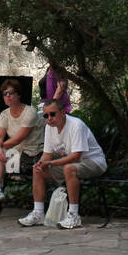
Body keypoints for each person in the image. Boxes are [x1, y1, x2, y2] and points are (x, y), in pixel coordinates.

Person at [18, 98, 107, 230]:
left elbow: (76, 157)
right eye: (46, 115)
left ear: (63, 112)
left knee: (69, 168)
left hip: (94, 162)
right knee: (37, 170)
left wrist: (51, 163)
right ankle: (38, 212)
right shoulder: (49, 128)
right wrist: (41, 163)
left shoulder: (76, 125)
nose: (49, 118)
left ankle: (74, 215)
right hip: (71, 164)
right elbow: (47, 154)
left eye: (52, 114)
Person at [0, 79, 46, 220]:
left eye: (11, 93)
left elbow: (19, 138)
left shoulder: (30, 112)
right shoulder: (4, 114)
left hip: (31, 153)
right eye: (5, 94)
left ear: (18, 95)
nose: (8, 96)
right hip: (15, 153)